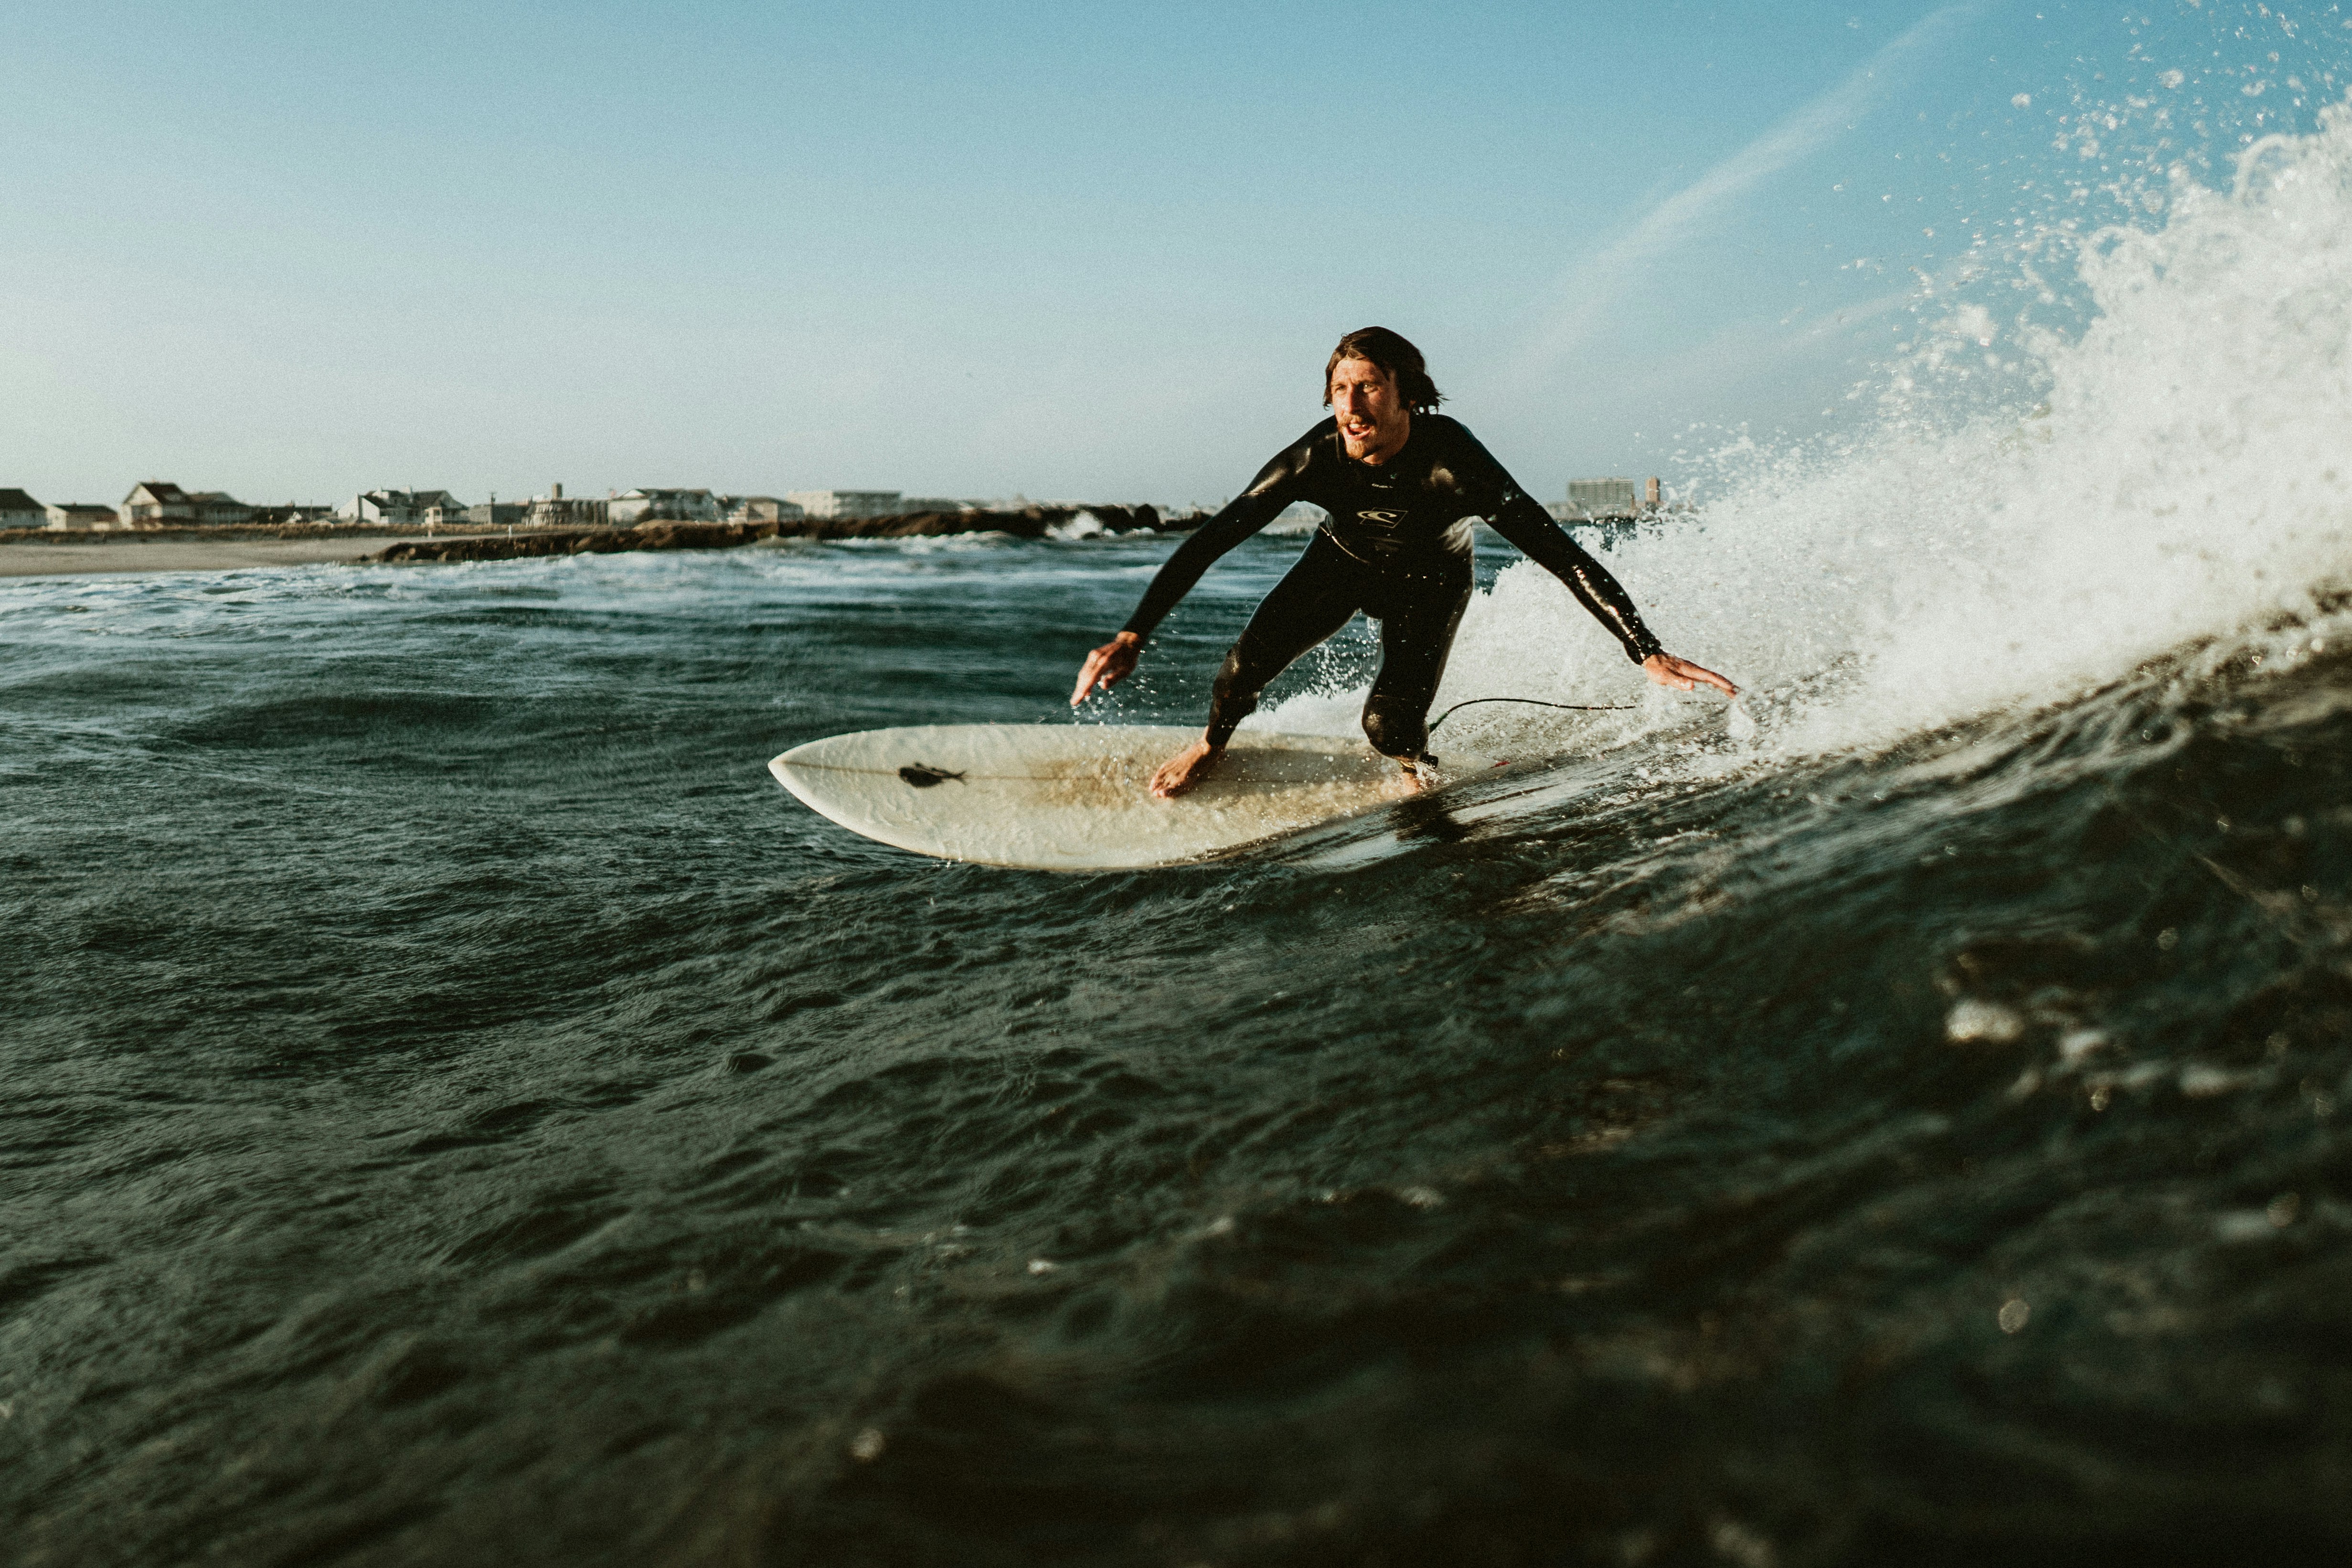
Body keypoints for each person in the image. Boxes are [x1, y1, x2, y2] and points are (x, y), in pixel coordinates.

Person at [1070, 327, 1737, 798]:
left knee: (1388, 729)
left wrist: (1644, 649)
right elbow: (1214, 538)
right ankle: (1210, 746)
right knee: (1241, 670)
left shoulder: (1455, 465)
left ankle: (1416, 764)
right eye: (1339, 389)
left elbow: (1560, 554)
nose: (1351, 406)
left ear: (1405, 393)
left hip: (1431, 582)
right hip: (1339, 564)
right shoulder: (1313, 458)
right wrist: (1134, 633)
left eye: (1367, 387)